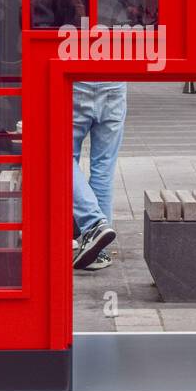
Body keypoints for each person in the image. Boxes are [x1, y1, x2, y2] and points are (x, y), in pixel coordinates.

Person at [72, 81, 126, 272]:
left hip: (75, 80)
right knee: (103, 169)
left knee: (62, 158)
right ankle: (98, 249)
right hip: (113, 81)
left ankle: (93, 223)